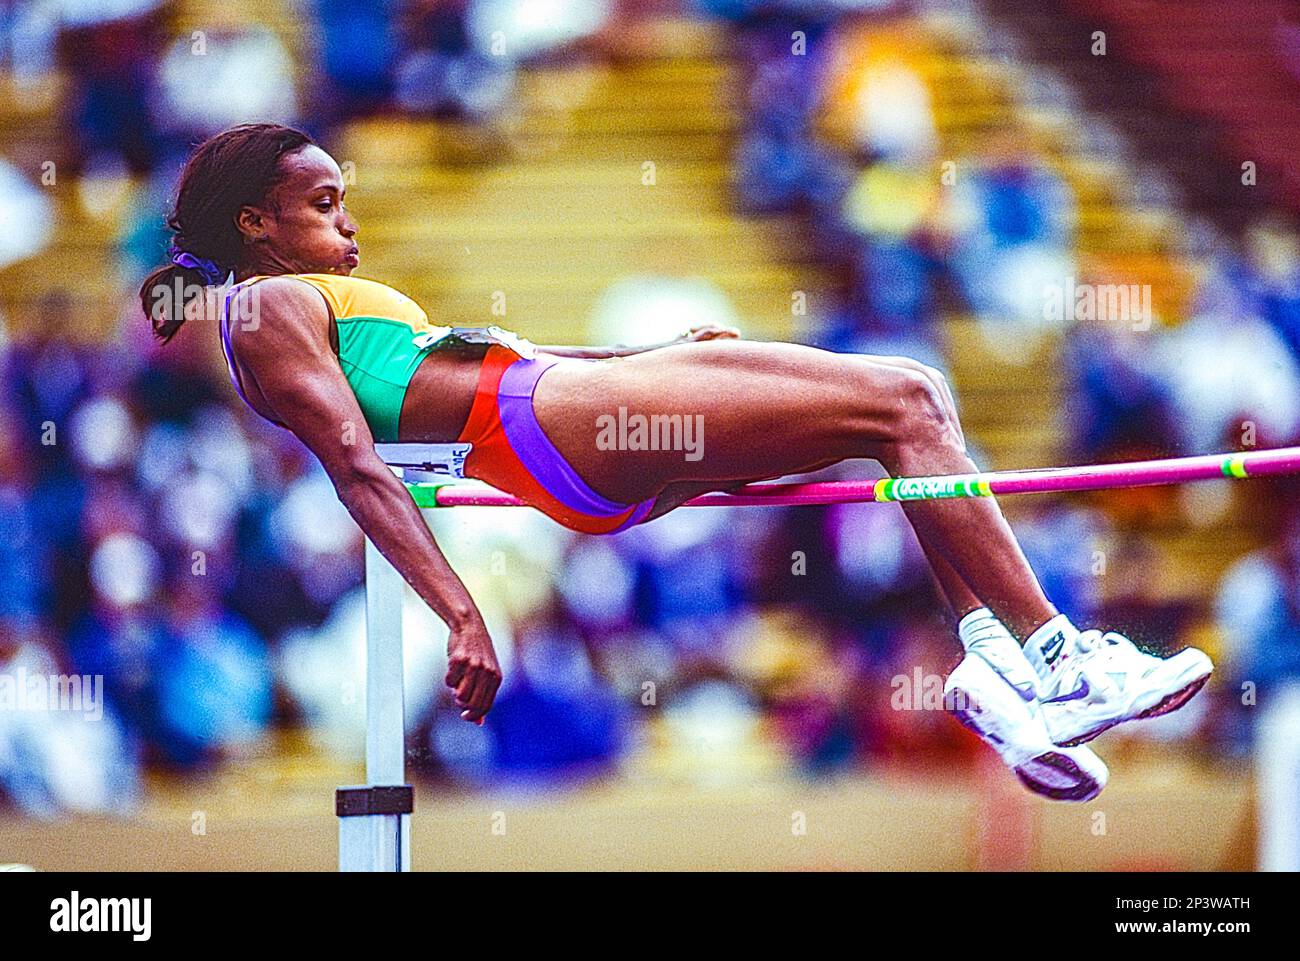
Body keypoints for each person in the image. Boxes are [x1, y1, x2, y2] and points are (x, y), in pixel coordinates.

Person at [138, 123, 1213, 801]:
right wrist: (462, 610)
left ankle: (989, 660)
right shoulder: (267, 301)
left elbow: (489, 364)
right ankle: (1061, 664)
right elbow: (357, 465)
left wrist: (647, 357)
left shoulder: (299, 302)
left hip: (565, 418)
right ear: (256, 224)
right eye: (325, 207)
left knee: (887, 420)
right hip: (555, 426)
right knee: (908, 394)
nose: (351, 226)